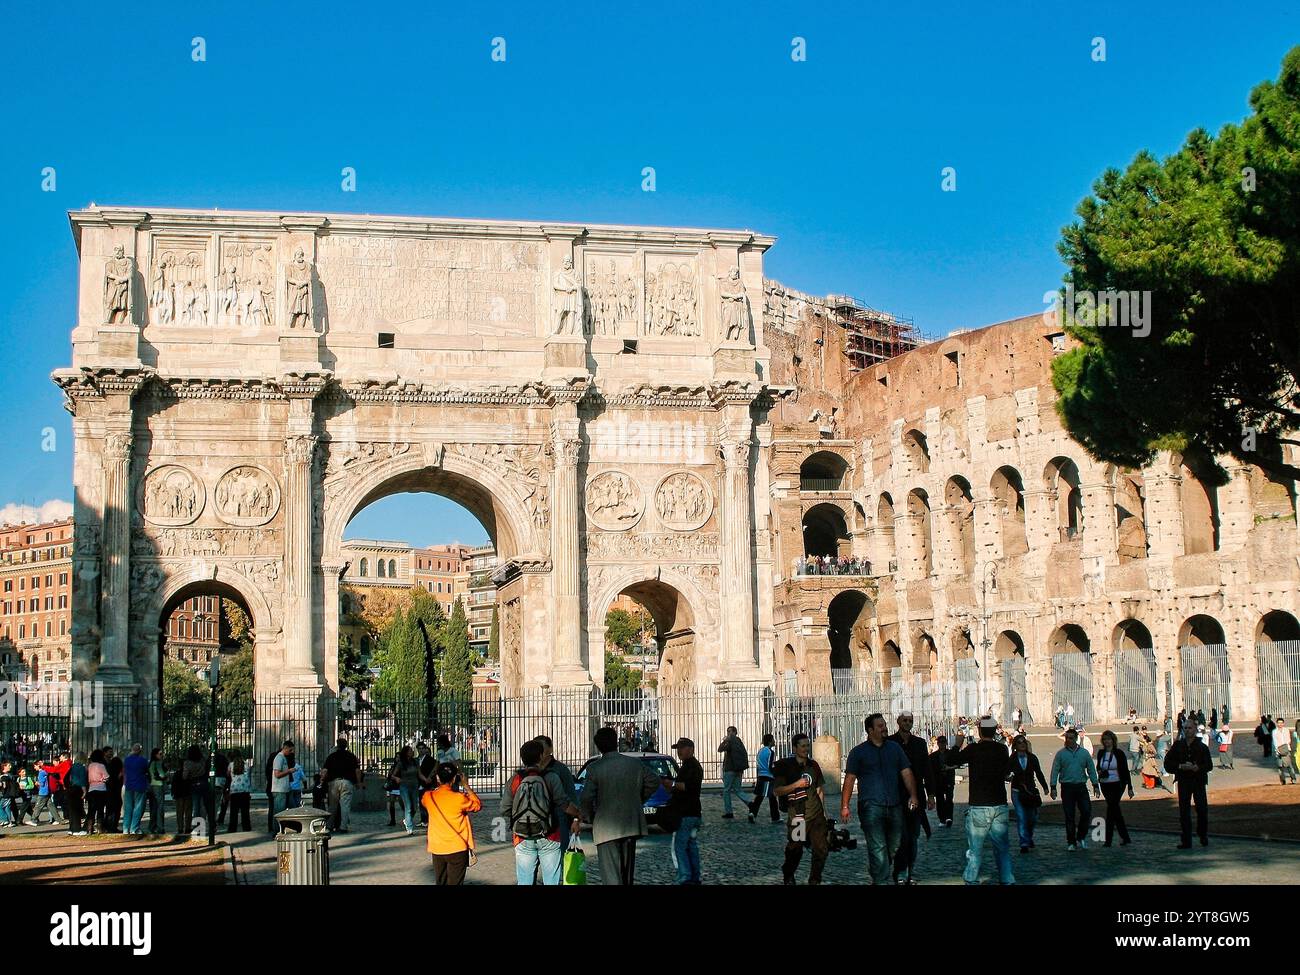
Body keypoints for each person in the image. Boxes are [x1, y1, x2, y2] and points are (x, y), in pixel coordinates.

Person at [840, 714, 919, 886]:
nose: (884, 728)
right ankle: (881, 880)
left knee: (895, 845)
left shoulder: (895, 749)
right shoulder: (858, 752)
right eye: (880, 726)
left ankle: (878, 871)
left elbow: (906, 772)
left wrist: (913, 795)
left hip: (894, 804)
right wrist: (845, 805)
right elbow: (850, 779)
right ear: (870, 730)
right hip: (871, 807)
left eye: (884, 725)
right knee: (878, 846)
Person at [578, 727, 661, 885]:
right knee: (626, 875)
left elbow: (586, 798)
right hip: (630, 823)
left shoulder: (595, 768)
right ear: (616, 742)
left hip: (605, 827)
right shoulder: (634, 763)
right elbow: (654, 781)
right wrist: (638, 799)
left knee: (611, 877)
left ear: (598, 746)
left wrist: (588, 816)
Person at [945, 716, 1016, 885]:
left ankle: (971, 878)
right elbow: (1007, 771)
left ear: (980, 730)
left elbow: (952, 760)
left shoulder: (974, 749)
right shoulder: (1001, 750)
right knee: (1002, 848)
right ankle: (1007, 878)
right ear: (994, 730)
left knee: (975, 849)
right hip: (999, 803)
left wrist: (957, 744)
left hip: (979, 805)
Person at [500, 739, 576, 885]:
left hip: (522, 836)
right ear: (541, 756)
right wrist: (578, 815)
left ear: (522, 758)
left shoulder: (515, 780)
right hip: (550, 834)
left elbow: (504, 809)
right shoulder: (550, 777)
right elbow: (564, 804)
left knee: (525, 880)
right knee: (551, 880)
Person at [887, 710, 936, 884]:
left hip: (917, 797)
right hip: (896, 796)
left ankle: (909, 872)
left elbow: (927, 770)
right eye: (905, 720)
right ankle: (899, 872)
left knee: (913, 837)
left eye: (910, 720)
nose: (908, 723)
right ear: (898, 722)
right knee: (901, 837)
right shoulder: (890, 743)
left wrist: (931, 794)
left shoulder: (920, 743)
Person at [773, 733, 828, 885]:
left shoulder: (813, 765)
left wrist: (824, 813)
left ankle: (815, 880)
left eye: (807, 745)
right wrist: (796, 785)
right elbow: (777, 791)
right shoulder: (785, 767)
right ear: (795, 747)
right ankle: (788, 874)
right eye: (802, 746)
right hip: (797, 816)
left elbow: (819, 789)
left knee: (821, 849)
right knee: (795, 849)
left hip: (816, 815)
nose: (806, 749)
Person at [424, 762, 481, 885]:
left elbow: (425, 800)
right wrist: (466, 786)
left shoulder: (428, 797)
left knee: (441, 882)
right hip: (457, 847)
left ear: (437, 777)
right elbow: (477, 805)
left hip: (437, 847)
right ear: (455, 778)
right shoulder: (460, 798)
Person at [1049, 726, 1100, 851]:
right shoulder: (1061, 754)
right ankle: (1071, 841)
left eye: (1071, 738)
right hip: (1067, 787)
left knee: (1086, 812)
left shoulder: (1084, 753)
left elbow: (1091, 769)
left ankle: (1081, 836)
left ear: (1076, 739)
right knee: (1069, 815)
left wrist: (1095, 784)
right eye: (1067, 738)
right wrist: (1053, 786)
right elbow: (1055, 770)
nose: (1068, 740)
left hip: (1081, 786)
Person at [1165, 718, 1213, 848]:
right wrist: (1180, 766)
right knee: (1184, 811)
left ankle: (1202, 834)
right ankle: (1186, 839)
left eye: (1189, 728)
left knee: (1202, 809)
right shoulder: (1177, 746)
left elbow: (1209, 765)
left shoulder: (1202, 746)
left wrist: (1198, 768)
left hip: (1198, 781)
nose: (1187, 730)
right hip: (1184, 781)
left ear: (1195, 729)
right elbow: (1167, 763)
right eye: (1185, 728)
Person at [663, 737, 704, 884]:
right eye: (678, 748)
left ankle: (685, 876)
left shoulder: (692, 766)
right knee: (691, 846)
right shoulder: (688, 765)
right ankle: (694, 876)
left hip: (687, 813)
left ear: (691, 749)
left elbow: (688, 786)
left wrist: (672, 783)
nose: (679, 751)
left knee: (680, 846)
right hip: (692, 812)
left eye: (682, 748)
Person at [535, 734, 578, 850]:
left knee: (560, 856)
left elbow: (572, 796)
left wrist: (576, 819)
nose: (539, 752)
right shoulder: (531, 770)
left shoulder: (561, 769)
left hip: (558, 821)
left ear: (550, 749)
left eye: (542, 748)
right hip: (534, 821)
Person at [1007, 735, 1048, 854]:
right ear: (1015, 745)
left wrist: (1045, 787)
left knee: (1032, 818)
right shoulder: (1012, 759)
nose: (1022, 744)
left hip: (1030, 791)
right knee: (1021, 816)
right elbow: (1006, 773)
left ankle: (1028, 836)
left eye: (1023, 742)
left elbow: (1039, 773)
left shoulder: (1032, 758)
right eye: (1019, 742)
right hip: (1017, 791)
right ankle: (1023, 842)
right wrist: (1008, 776)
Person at [1095, 730, 1134, 847]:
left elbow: (1125, 771)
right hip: (1105, 784)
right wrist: (1100, 771)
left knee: (1111, 809)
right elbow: (1098, 766)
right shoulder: (1101, 753)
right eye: (1105, 739)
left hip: (1117, 784)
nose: (1107, 742)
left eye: (1109, 739)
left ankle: (1108, 839)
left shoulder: (1119, 753)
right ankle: (1125, 837)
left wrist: (1130, 787)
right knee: (1114, 810)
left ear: (1113, 740)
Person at [322, 737, 362, 832]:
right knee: (345, 805)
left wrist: (322, 779)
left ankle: (330, 825)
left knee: (332, 806)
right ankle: (343, 826)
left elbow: (325, 770)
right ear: (346, 745)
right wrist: (358, 782)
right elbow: (357, 770)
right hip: (347, 782)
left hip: (334, 782)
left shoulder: (331, 756)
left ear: (337, 745)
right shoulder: (351, 756)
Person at [717, 726, 749, 819]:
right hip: (737, 769)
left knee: (726, 790)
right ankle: (750, 803)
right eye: (728, 732)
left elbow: (720, 749)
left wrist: (725, 740)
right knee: (738, 789)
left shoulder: (731, 741)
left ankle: (729, 812)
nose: (728, 734)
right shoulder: (738, 742)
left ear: (735, 732)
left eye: (730, 732)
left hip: (730, 769)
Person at [747, 733, 780, 824]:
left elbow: (758, 764)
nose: (774, 741)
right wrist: (775, 773)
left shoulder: (760, 751)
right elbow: (770, 765)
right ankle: (774, 818)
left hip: (761, 775)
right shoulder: (770, 752)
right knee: (770, 798)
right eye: (773, 739)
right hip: (768, 777)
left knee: (762, 797)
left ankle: (753, 813)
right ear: (770, 741)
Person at [390, 745, 422, 834]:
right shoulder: (401, 763)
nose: (412, 752)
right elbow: (393, 775)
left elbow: (419, 774)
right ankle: (409, 827)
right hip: (404, 786)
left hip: (414, 786)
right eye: (410, 750)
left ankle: (407, 820)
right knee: (408, 807)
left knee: (415, 807)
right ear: (406, 753)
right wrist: (396, 778)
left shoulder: (416, 762)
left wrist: (426, 779)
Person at [121, 744, 150, 836]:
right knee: (138, 808)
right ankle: (134, 828)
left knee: (128, 807)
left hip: (129, 785)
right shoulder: (143, 760)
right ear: (140, 751)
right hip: (140, 785)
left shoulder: (126, 760)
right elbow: (146, 771)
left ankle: (125, 828)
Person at [930, 735, 956, 827]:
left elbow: (957, 764)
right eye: (940, 742)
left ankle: (949, 817)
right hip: (938, 781)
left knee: (949, 799)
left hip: (949, 779)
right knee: (940, 801)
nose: (942, 744)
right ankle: (942, 819)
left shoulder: (950, 754)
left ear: (946, 743)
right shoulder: (933, 756)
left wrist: (949, 768)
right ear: (938, 743)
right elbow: (930, 770)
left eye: (943, 742)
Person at [270, 740, 296, 825]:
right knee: (279, 812)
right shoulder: (279, 758)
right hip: (279, 790)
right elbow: (277, 774)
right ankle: (277, 830)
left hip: (285, 789)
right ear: (285, 748)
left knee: (289, 809)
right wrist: (289, 771)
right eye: (290, 750)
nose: (291, 752)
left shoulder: (284, 758)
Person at [86, 749, 110, 834]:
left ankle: (89, 828)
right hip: (101, 788)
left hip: (91, 788)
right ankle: (100, 828)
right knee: (100, 810)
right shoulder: (101, 766)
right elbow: (107, 776)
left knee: (91, 810)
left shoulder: (90, 766)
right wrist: (103, 779)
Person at [227, 752, 252, 832]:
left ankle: (232, 828)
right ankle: (246, 827)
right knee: (245, 811)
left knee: (234, 811)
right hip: (245, 789)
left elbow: (228, 775)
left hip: (234, 789)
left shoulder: (231, 765)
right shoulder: (246, 764)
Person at [65, 753, 88, 835]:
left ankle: (71, 829)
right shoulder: (81, 768)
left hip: (70, 789)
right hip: (78, 789)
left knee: (71, 810)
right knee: (77, 809)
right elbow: (82, 780)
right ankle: (76, 829)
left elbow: (66, 779)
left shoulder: (72, 767)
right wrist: (84, 791)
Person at [146, 749, 167, 835]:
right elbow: (162, 774)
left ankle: (151, 827)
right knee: (160, 807)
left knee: (153, 808)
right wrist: (166, 776)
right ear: (155, 755)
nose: (162, 755)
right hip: (158, 785)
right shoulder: (158, 763)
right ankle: (160, 827)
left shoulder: (151, 763)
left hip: (151, 785)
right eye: (160, 754)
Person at [104, 746, 124, 832]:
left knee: (110, 809)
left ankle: (108, 826)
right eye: (109, 751)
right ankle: (112, 826)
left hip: (109, 789)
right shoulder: (110, 764)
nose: (111, 753)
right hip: (113, 790)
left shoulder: (110, 764)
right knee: (114, 809)